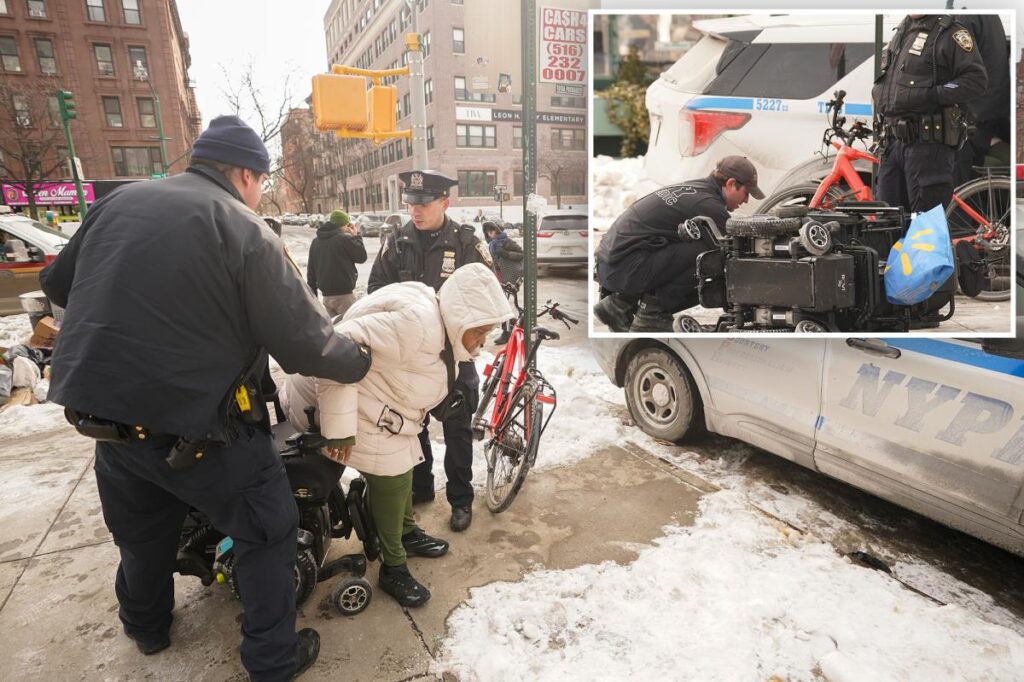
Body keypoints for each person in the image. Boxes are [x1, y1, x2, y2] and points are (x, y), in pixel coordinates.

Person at [39, 115, 372, 682]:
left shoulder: (116, 206)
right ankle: (272, 660)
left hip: (108, 422)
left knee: (142, 535)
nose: (261, 191)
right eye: (262, 180)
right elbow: (305, 344)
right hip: (202, 431)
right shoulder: (241, 227)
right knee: (268, 530)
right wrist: (357, 357)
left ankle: (145, 628)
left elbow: (57, 285)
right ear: (245, 173)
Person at [281, 263, 512, 606]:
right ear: (462, 316)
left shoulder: (437, 321)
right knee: (392, 480)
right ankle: (393, 567)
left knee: (405, 467)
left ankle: (404, 534)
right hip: (328, 403)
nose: (483, 341)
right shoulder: (417, 325)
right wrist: (338, 430)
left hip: (372, 404)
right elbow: (334, 350)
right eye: (480, 331)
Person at [368, 169, 494, 532]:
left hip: (454, 356)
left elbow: (487, 294)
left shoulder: (467, 242)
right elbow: (377, 289)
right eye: (410, 203)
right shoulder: (397, 242)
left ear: (444, 202)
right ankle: (422, 487)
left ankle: (460, 499)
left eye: (423, 203)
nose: (415, 211)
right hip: (410, 356)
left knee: (457, 430)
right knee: (412, 426)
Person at [593, 155, 763, 333]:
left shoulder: (695, 188)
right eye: (746, 193)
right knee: (711, 257)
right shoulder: (708, 205)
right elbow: (735, 249)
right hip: (621, 269)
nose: (746, 201)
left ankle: (619, 304)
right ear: (730, 184)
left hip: (612, 264)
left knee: (698, 243)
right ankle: (652, 315)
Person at [872, 14, 987, 214]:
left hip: (927, 146)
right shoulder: (902, 30)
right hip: (891, 144)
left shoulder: (950, 32)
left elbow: (975, 81)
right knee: (886, 223)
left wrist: (932, 95)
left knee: (925, 227)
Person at [952, 14, 1011, 186]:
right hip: (988, 111)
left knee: (958, 182)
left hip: (972, 113)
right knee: (971, 181)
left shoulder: (964, 17)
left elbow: (960, 68)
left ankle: (956, 213)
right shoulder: (991, 15)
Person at [307, 209, 367, 318]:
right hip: (345, 296)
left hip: (326, 297)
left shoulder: (315, 242)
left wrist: (313, 297)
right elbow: (362, 257)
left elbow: (311, 271)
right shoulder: (344, 239)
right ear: (342, 224)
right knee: (349, 327)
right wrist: (356, 236)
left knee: (334, 330)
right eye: (347, 224)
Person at [483, 220, 524, 344]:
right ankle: (512, 325)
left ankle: (507, 331)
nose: (490, 234)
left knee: (502, 305)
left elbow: (521, 254)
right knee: (500, 305)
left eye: (492, 231)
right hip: (497, 278)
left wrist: (506, 254)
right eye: (488, 232)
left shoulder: (506, 241)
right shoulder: (492, 244)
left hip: (508, 278)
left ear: (498, 231)